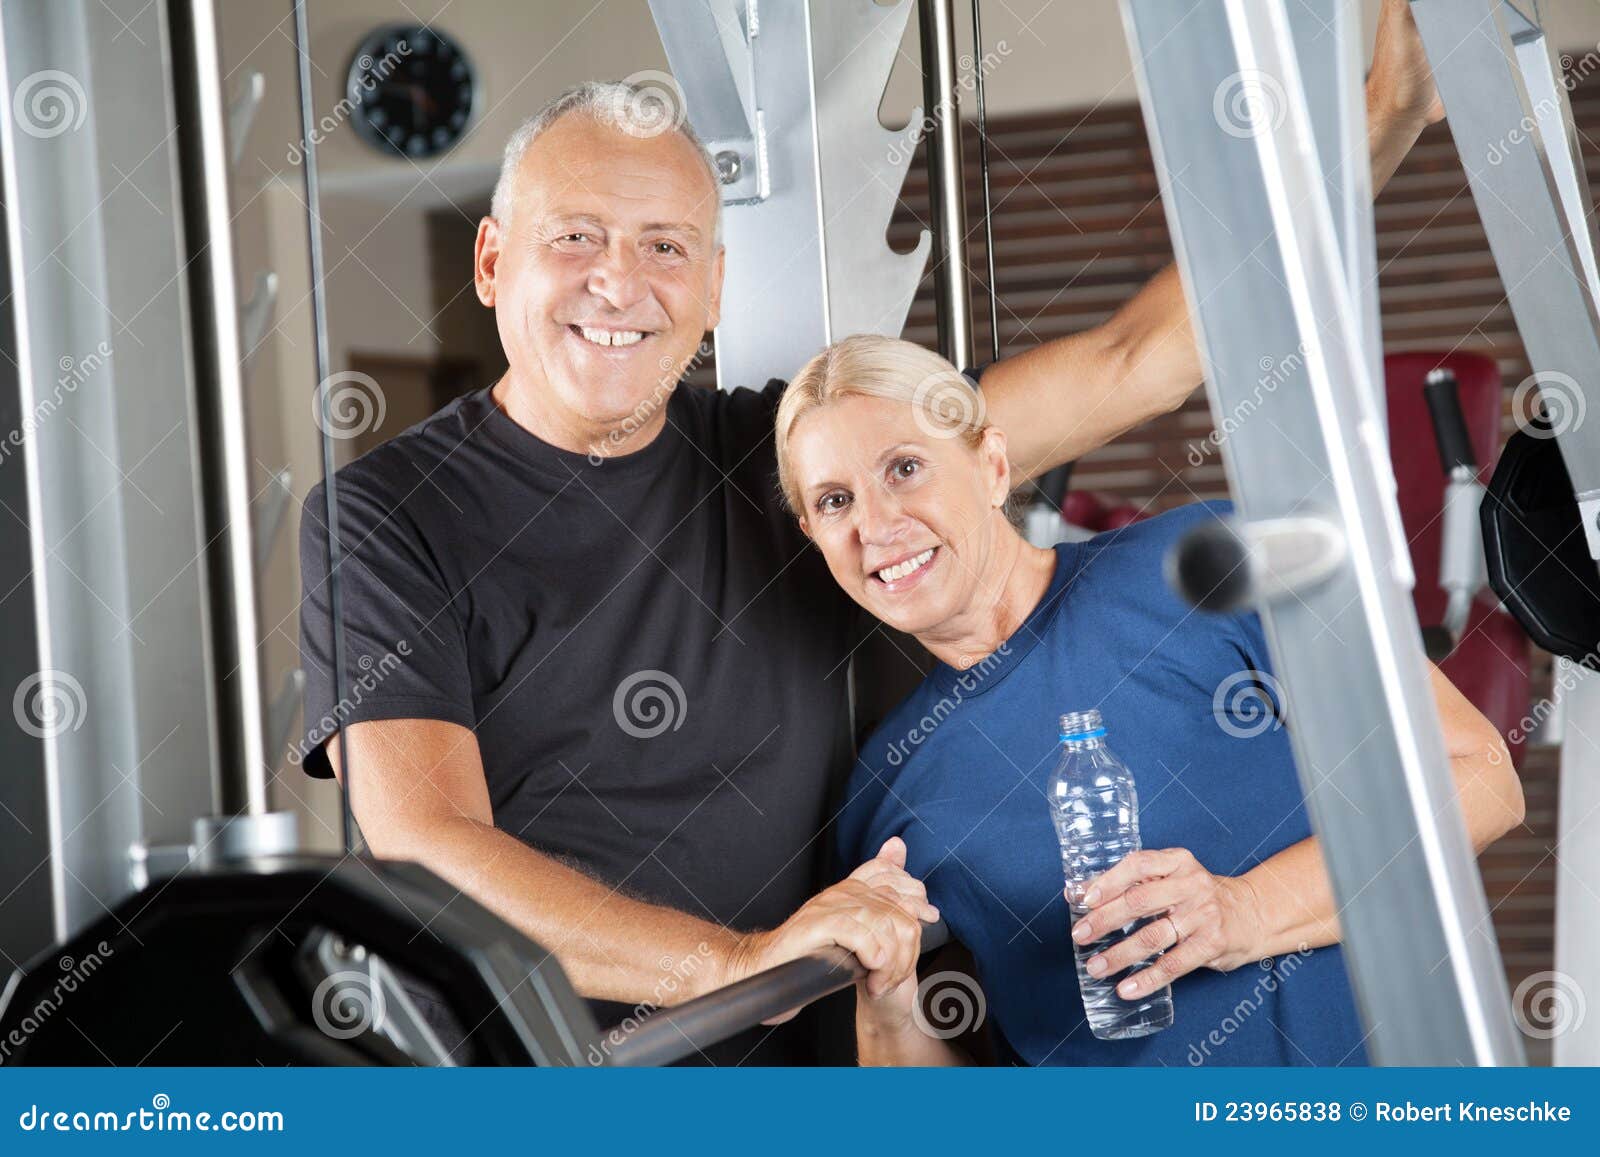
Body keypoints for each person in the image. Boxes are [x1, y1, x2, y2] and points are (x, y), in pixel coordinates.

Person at [296, 0, 1445, 1063]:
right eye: (576, 237)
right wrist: (735, 963)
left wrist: (1382, 120)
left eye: (664, 245)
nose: (620, 282)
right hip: (563, 1065)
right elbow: (426, 847)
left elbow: (1135, 358)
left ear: (710, 286)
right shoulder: (387, 514)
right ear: (494, 261)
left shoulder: (787, 458)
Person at [773, 333, 1526, 1065]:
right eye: (835, 500)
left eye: (904, 468)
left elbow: (1482, 777)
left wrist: (1245, 911)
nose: (875, 525)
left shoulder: (1209, 563)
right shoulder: (892, 790)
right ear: (812, 533)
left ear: (993, 465)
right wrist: (890, 1009)